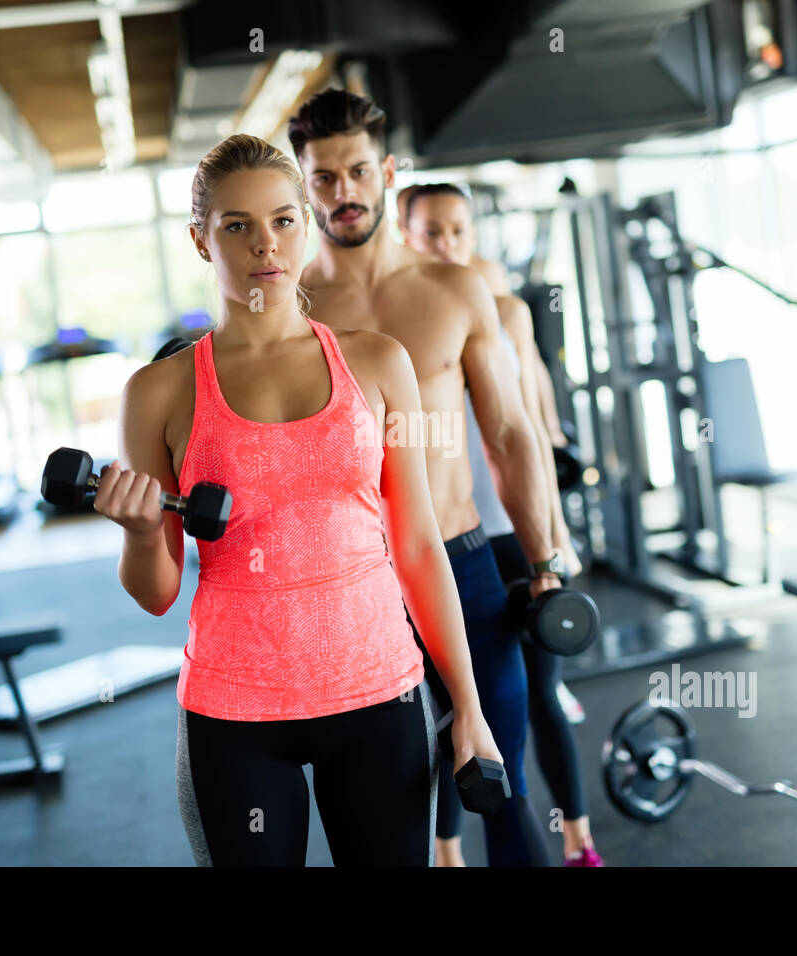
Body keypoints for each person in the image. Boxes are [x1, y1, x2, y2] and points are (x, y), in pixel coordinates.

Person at [98, 133, 502, 866]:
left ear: (308, 229)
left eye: (285, 220)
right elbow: (157, 592)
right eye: (237, 226)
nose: (265, 245)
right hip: (235, 711)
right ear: (200, 239)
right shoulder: (157, 392)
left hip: (378, 691)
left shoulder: (379, 362)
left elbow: (415, 546)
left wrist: (467, 709)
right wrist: (135, 533)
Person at [290, 88, 561, 867]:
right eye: (323, 179)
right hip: (360, 586)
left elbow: (511, 436)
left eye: (357, 172)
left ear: (388, 171)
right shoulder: (295, 307)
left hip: (466, 565)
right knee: (394, 811)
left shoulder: (455, 291)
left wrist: (544, 563)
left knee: (500, 787)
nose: (343, 193)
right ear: (305, 185)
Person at [403, 182, 603, 867]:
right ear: (407, 237)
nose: (448, 243)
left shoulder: (508, 312)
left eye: (457, 230)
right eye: (432, 232)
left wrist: (556, 543)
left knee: (536, 694)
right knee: (454, 709)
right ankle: (449, 847)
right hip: (456, 543)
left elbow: (535, 432)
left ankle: (578, 835)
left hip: (516, 537)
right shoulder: (405, 322)